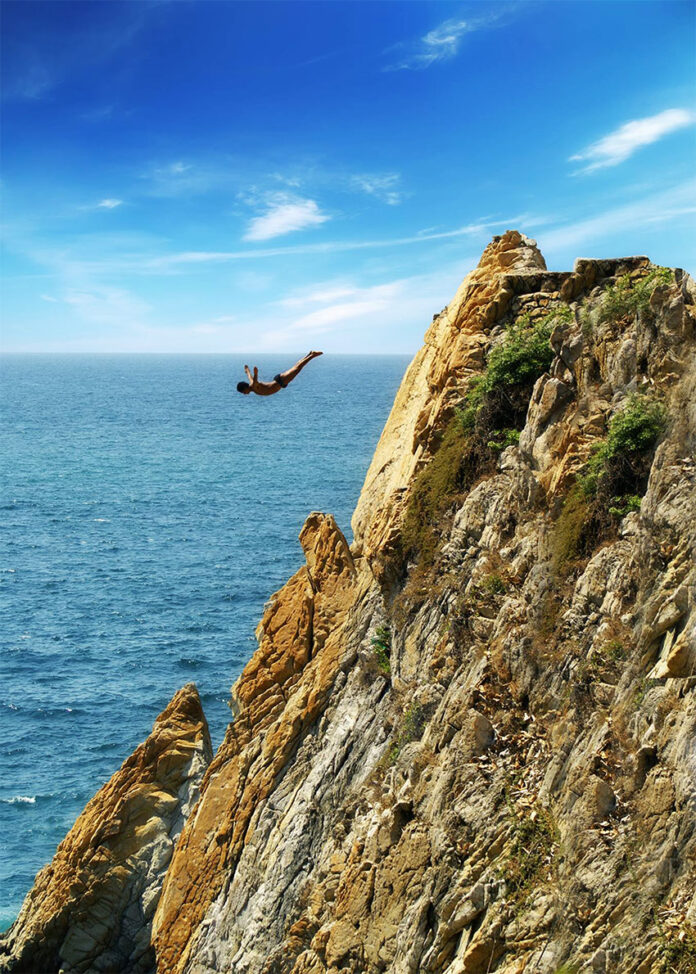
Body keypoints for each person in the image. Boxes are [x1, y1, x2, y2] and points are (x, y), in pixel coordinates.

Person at [236, 351, 323, 396]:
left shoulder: (253, 386)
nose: (244, 394)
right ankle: (310, 354)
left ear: (245, 388)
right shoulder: (252, 386)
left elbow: (254, 380)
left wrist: (255, 373)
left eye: (243, 392)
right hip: (279, 381)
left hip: (280, 381)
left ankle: (312, 356)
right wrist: (247, 370)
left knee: (297, 368)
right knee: (296, 367)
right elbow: (249, 376)